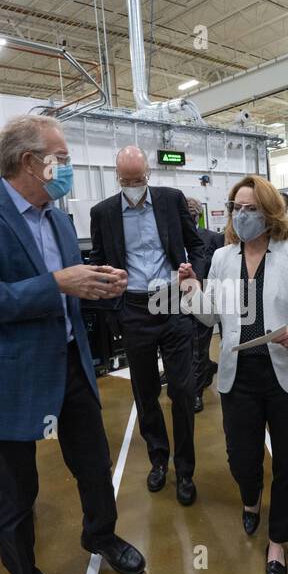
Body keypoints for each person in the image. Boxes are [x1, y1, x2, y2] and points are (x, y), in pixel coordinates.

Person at [0, 115, 146, 574]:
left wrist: (97, 286)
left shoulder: (56, 221)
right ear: (30, 161)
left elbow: (65, 292)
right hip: (8, 374)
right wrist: (58, 281)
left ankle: (100, 535)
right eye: (61, 155)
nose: (69, 165)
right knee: (14, 494)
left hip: (70, 364)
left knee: (94, 466)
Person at [182, 175, 288, 574]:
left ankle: (278, 541)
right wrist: (189, 289)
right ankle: (250, 497)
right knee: (241, 457)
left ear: (269, 212)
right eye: (236, 208)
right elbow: (210, 317)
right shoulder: (224, 258)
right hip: (238, 375)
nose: (242, 215)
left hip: (287, 374)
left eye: (250, 208)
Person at [88, 145, 204, 504]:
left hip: (171, 304)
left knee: (183, 391)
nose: (133, 187)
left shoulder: (171, 201)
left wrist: (192, 272)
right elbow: (98, 260)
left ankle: (185, 470)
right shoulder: (103, 212)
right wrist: (113, 306)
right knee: (145, 391)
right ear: (117, 178)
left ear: (148, 175)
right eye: (127, 181)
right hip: (134, 309)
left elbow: (197, 246)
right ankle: (158, 460)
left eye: (138, 180)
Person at [186, 195, 225, 413]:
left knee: (199, 348)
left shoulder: (214, 239)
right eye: (187, 213)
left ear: (199, 216)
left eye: (193, 214)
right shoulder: (173, 239)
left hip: (205, 300)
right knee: (186, 348)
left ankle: (196, 393)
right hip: (176, 300)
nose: (190, 217)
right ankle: (206, 371)